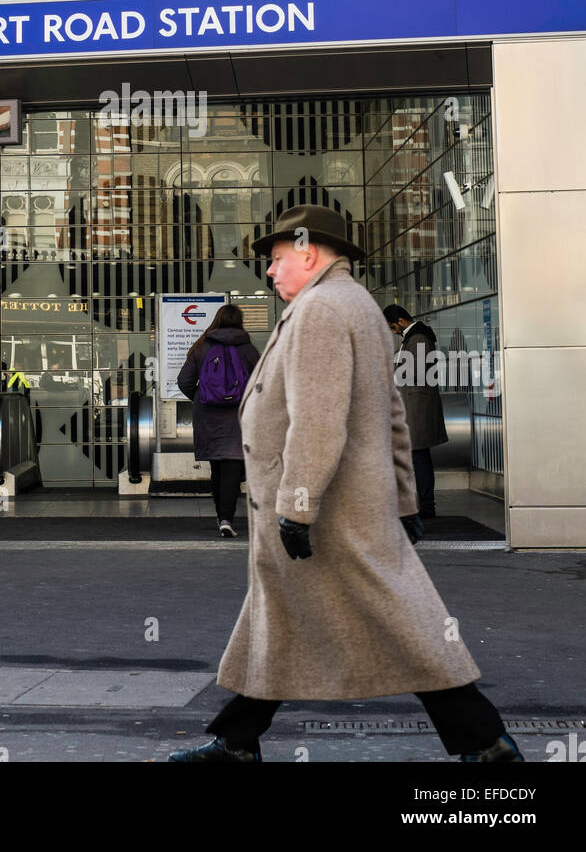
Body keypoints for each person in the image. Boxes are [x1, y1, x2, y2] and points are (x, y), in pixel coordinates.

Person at [168, 205, 522, 764]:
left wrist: (297, 506)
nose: (271, 271)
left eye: (278, 259)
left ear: (308, 254)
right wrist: (404, 499)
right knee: (288, 617)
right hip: (349, 502)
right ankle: (237, 741)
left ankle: (484, 741)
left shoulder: (321, 310)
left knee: (402, 622)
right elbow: (394, 417)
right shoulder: (357, 306)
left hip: (330, 510)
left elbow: (318, 417)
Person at [177, 305, 260, 538]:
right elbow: (263, 381)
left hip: (208, 414)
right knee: (233, 465)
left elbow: (184, 380)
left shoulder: (202, 346)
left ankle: (220, 516)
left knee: (217, 466)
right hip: (237, 416)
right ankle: (227, 519)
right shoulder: (247, 349)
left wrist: (200, 397)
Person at [383, 304, 448, 519]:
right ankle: (421, 504)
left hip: (417, 408)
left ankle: (427, 506)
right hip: (413, 406)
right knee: (417, 457)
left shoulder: (418, 338)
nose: (394, 331)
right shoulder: (412, 338)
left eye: (393, 327)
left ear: (401, 321)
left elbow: (414, 372)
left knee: (419, 457)